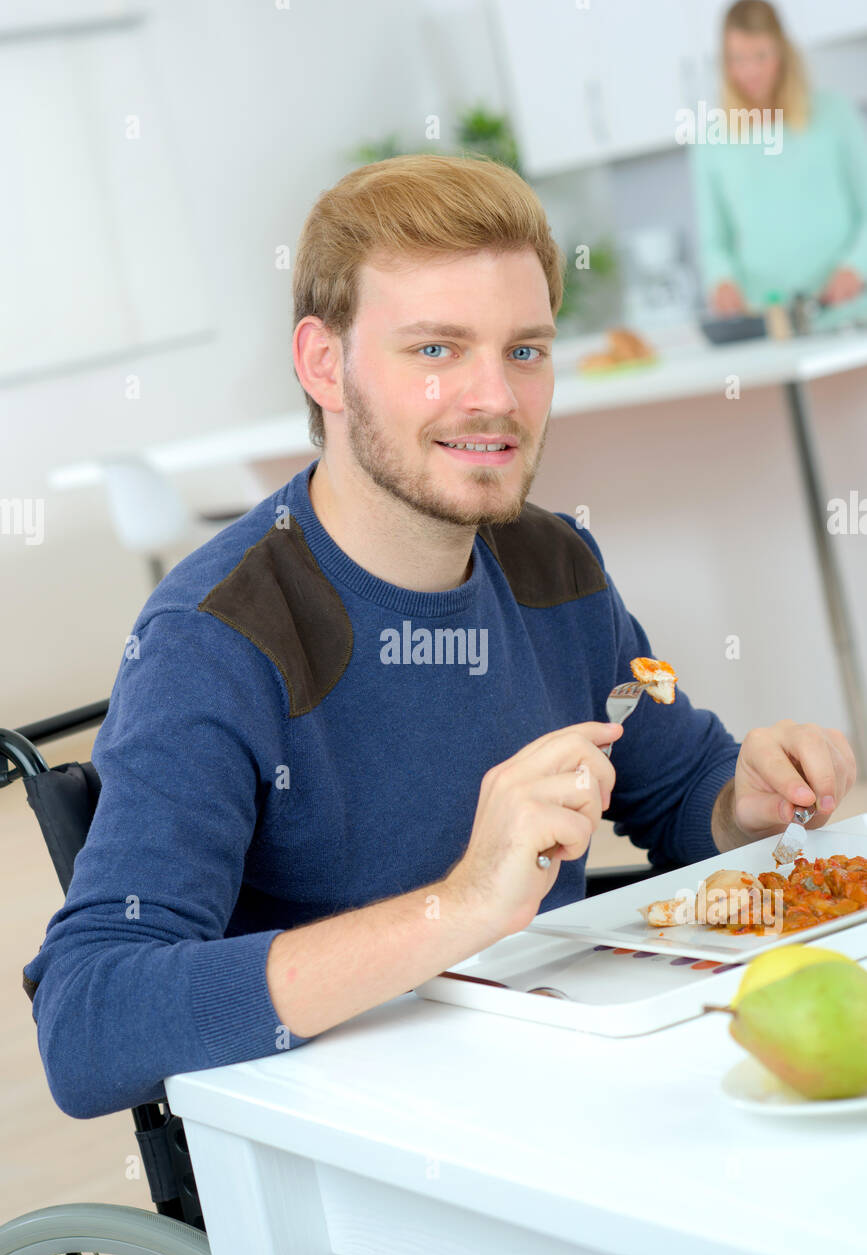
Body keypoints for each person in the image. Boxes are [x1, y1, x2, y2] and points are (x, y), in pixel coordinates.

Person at [24, 154, 856, 1131]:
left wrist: (743, 804)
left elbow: (681, 794)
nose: (494, 398)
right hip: (364, 1150)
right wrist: (459, 905)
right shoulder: (215, 640)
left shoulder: (553, 561)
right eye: (435, 350)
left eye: (526, 350)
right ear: (323, 363)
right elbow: (90, 1021)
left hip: (567, 1092)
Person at [691, 0, 867, 320]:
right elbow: (714, 241)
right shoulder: (711, 139)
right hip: (769, 320)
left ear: (783, 53)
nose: (749, 71)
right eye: (737, 59)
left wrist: (857, 266)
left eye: (761, 55)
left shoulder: (835, 114)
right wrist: (721, 281)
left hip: (849, 312)